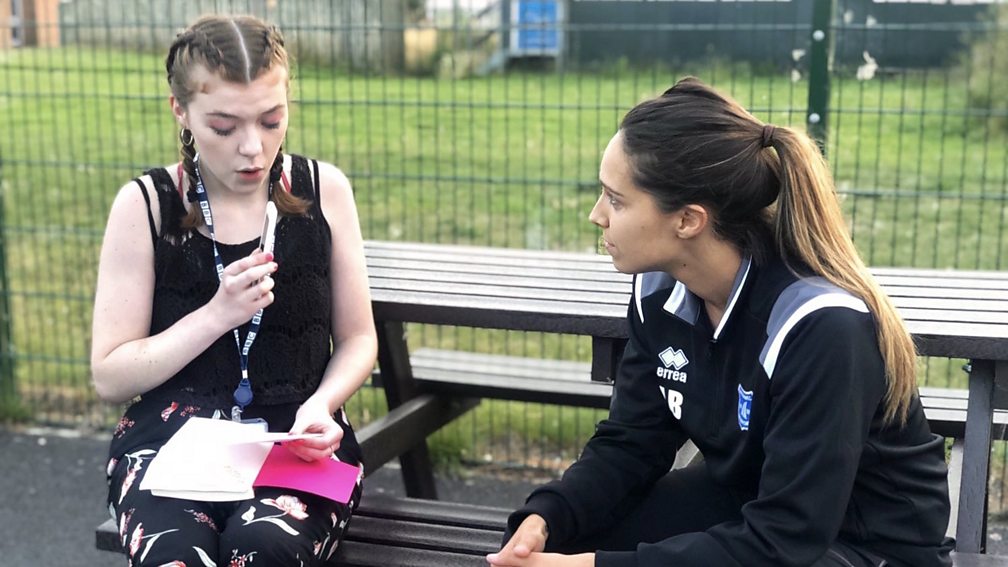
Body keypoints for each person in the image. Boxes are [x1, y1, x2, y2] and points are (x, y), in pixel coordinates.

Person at [488, 77, 953, 567]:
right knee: (561, 538)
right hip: (747, 504)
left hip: (862, 545)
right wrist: (548, 516)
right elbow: (633, 442)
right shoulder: (658, 290)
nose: (596, 215)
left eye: (616, 200)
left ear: (688, 220)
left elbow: (785, 539)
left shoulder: (820, 326)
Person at [90, 14, 377, 566]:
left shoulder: (325, 191)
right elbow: (110, 375)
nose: (252, 148)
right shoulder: (146, 206)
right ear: (181, 111)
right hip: (169, 442)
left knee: (263, 548)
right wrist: (217, 314)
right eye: (224, 127)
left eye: (272, 121)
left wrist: (322, 406)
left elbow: (359, 338)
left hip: (296, 438)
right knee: (176, 555)